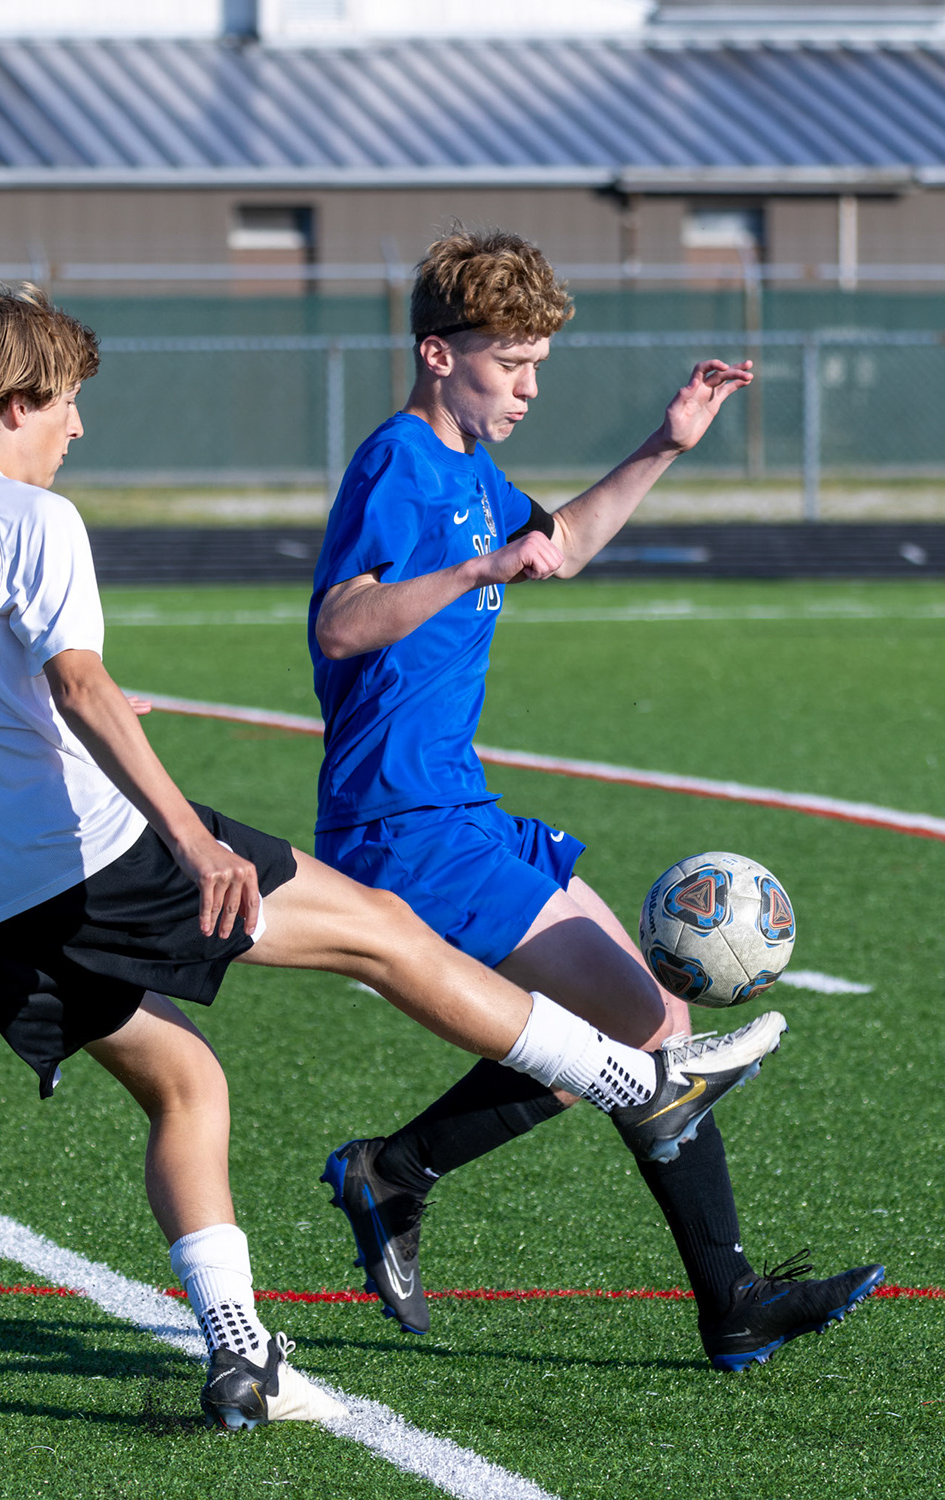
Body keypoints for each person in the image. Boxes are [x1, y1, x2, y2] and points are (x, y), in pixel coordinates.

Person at [0, 284, 785, 1430]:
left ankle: (240, 1355)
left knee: (188, 1086)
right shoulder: (35, 518)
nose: (78, 430)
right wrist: (190, 840)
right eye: (68, 407)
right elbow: (79, 680)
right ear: (12, 400)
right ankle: (640, 1081)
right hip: (92, 858)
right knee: (385, 937)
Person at [309, 229, 883, 1373]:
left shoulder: (472, 468)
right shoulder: (400, 464)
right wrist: (472, 571)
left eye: (537, 368)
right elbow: (342, 622)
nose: (526, 389)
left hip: (462, 810)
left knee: (649, 1029)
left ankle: (403, 1175)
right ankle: (720, 1304)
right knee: (635, 1030)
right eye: (508, 365)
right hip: (401, 827)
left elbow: (557, 547)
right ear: (438, 353)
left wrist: (663, 446)